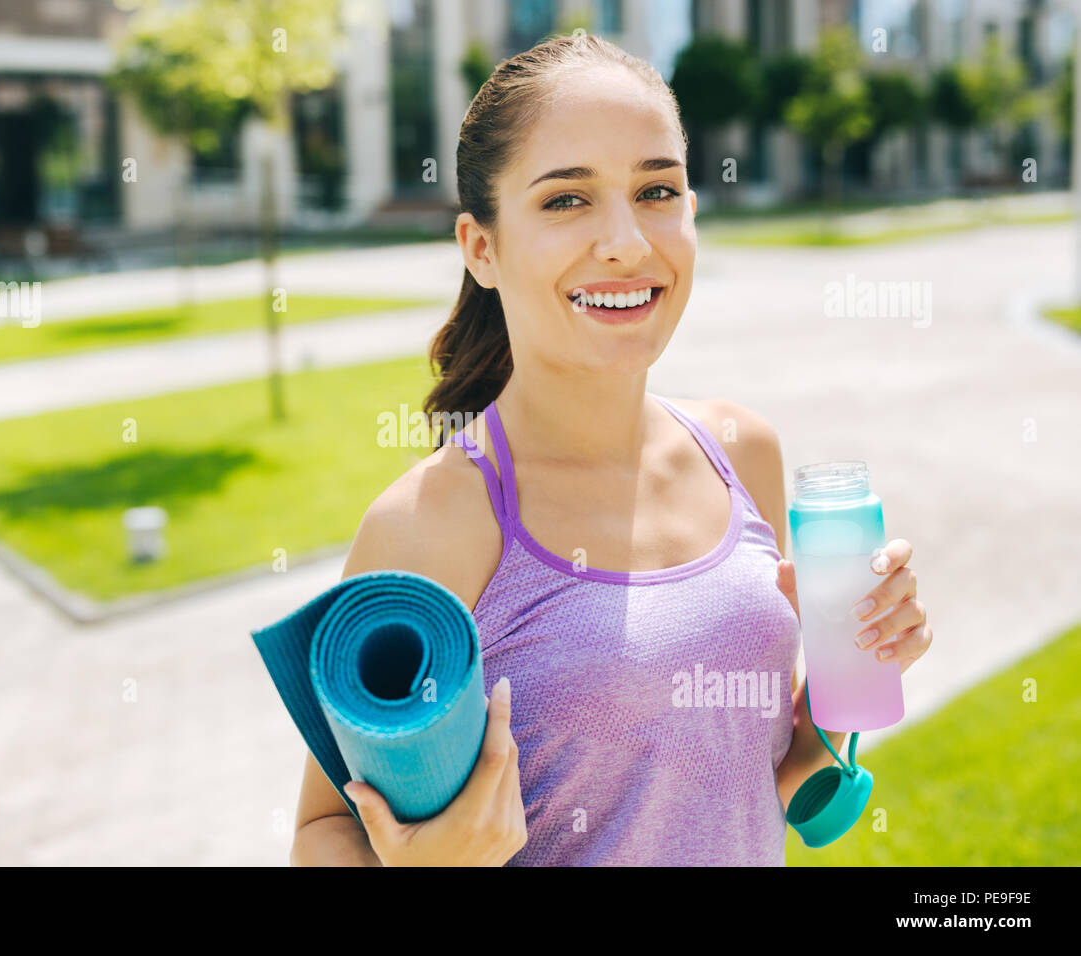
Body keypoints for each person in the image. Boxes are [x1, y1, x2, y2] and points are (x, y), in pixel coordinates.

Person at [290, 32, 932, 867]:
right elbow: (323, 830)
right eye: (566, 201)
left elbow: (761, 771)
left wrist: (856, 667)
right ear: (481, 248)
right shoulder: (429, 525)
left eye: (657, 189)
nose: (627, 241)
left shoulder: (746, 453)